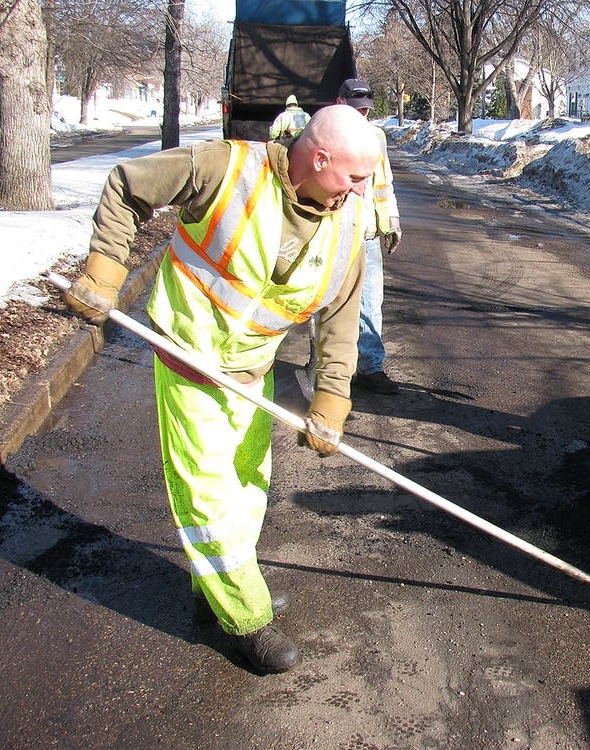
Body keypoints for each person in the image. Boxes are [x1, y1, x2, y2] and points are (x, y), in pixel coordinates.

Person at [62, 105, 381, 674]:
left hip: (252, 375)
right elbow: (127, 184)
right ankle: (246, 617)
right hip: (190, 361)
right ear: (319, 158)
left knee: (247, 487)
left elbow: (338, 319)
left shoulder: (349, 223)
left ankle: (218, 585)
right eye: (355, 177)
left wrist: (332, 397)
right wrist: (106, 269)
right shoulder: (224, 170)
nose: (362, 191)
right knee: (207, 496)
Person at [334, 78, 402, 395]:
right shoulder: (326, 134)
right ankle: (329, 372)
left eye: (365, 111)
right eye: (356, 110)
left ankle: (371, 368)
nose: (362, 116)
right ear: (340, 104)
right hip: (333, 235)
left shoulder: (376, 137)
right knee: (330, 303)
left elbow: (383, 183)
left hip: (368, 236)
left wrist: (392, 222)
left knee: (371, 302)